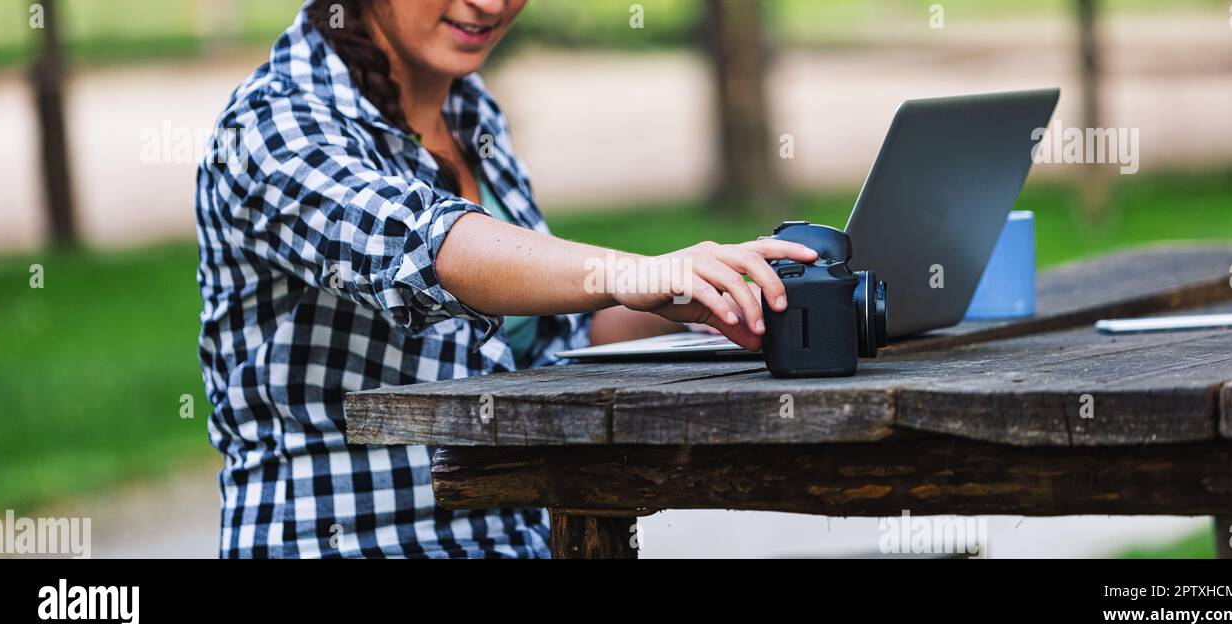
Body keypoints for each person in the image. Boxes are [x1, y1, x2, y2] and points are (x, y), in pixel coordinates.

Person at [195, 0, 815, 558]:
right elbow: (424, 248)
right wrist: (628, 272)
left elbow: (556, 333)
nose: (490, 4)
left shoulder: (468, 109)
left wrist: (701, 291)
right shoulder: (269, 125)